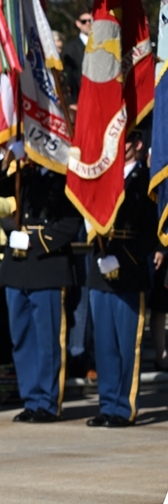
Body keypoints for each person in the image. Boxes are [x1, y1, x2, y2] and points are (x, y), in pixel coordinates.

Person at [0, 153, 81, 424]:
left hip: (47, 265)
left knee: (48, 341)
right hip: (18, 266)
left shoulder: (67, 179)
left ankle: (47, 401)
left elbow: (70, 224)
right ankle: (31, 399)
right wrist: (7, 162)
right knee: (21, 338)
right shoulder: (25, 175)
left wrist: (35, 240)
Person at [85, 131, 156, 428]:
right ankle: (108, 403)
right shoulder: (104, 178)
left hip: (129, 269)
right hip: (101, 266)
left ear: (137, 144)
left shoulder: (147, 180)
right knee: (104, 344)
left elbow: (151, 231)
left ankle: (124, 407)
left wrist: (123, 259)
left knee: (127, 344)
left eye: (125, 140)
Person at [61, 11, 89, 104]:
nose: (88, 23)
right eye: (84, 21)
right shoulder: (70, 48)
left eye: (91, 20)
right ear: (78, 23)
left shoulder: (103, 46)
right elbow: (68, 76)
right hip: (78, 99)